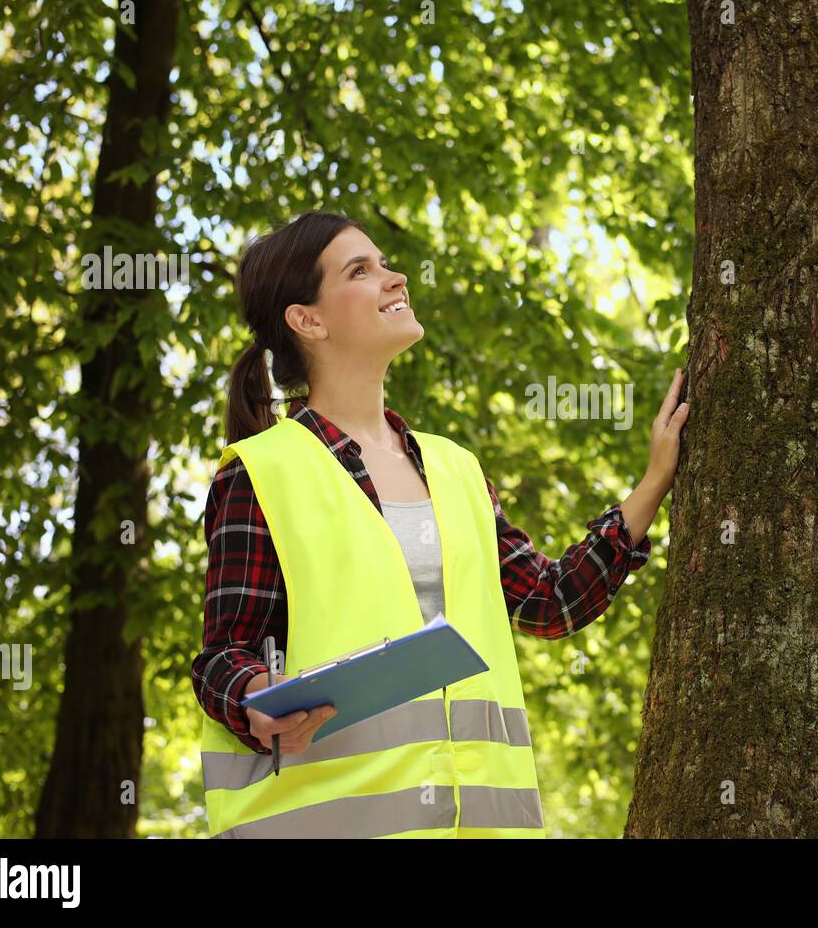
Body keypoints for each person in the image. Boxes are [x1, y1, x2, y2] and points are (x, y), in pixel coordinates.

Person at [191, 210, 689, 838]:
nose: (395, 278)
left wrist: (652, 486)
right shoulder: (260, 473)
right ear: (307, 320)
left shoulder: (454, 468)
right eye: (361, 270)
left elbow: (548, 602)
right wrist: (258, 697)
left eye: (385, 263)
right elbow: (222, 658)